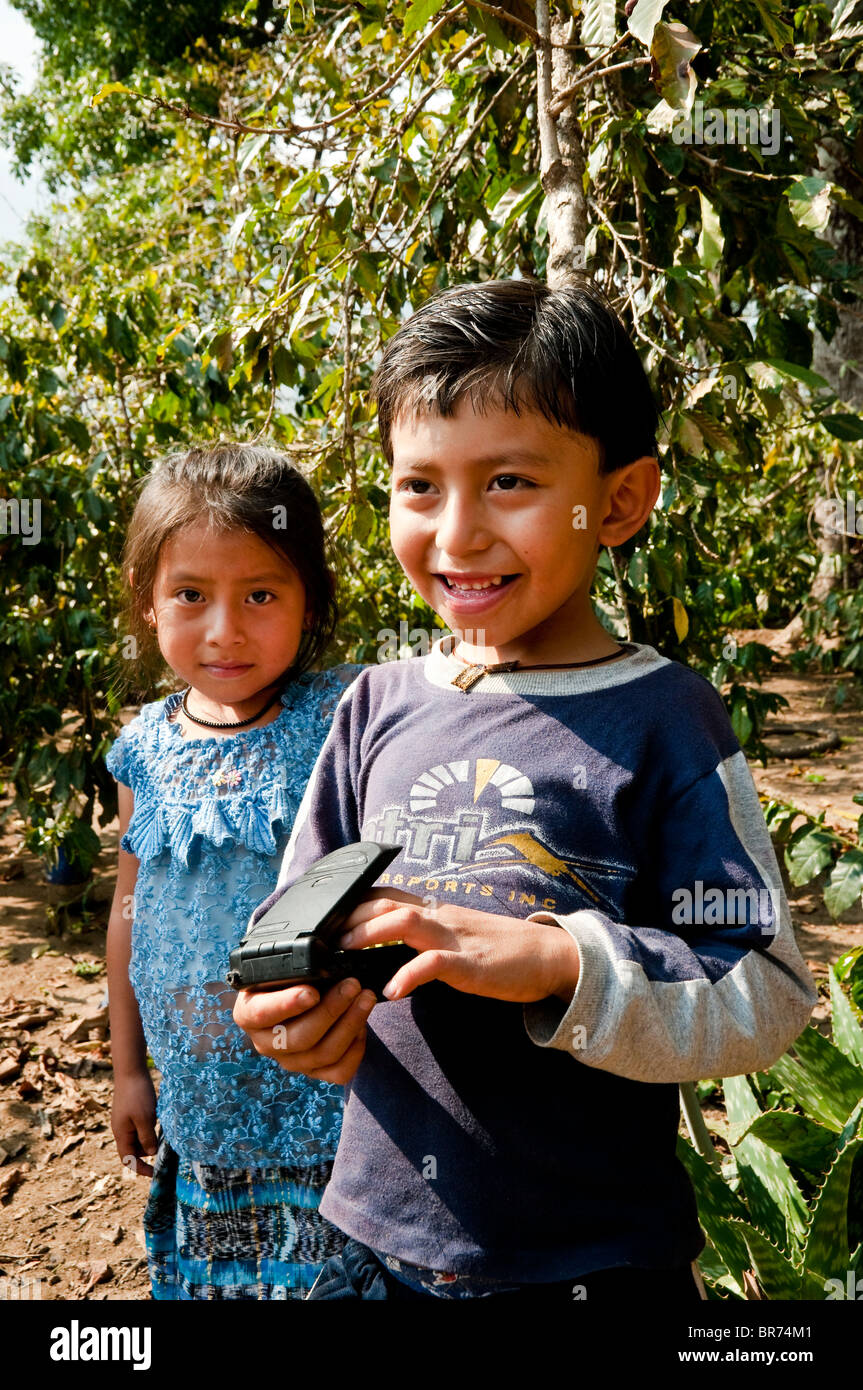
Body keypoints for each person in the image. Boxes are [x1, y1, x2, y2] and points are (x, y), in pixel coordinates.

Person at [233, 280, 817, 1302]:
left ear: (621, 500)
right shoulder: (374, 706)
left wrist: (559, 962)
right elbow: (295, 922)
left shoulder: (664, 718)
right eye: (418, 486)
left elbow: (761, 990)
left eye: (508, 481)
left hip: (588, 1263)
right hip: (372, 1244)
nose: (455, 535)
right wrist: (289, 1008)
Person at [105, 443, 359, 1299]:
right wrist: (129, 1069)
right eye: (190, 595)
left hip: (326, 1097)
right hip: (200, 1105)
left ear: (309, 601)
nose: (225, 629)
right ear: (148, 604)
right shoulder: (144, 745)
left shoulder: (343, 718)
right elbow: (129, 914)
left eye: (261, 594)